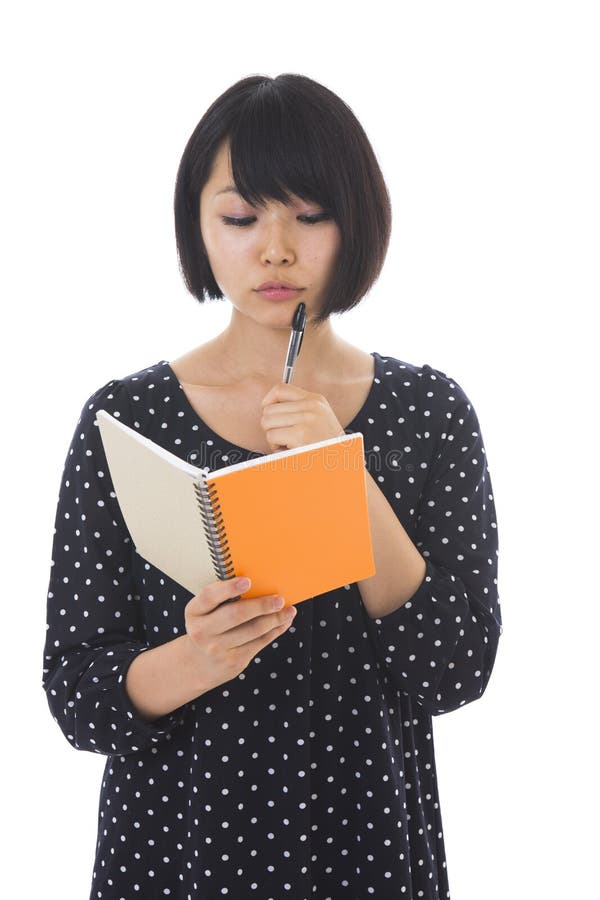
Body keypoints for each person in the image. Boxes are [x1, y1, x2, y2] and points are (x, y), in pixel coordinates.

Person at [42, 73, 503, 900]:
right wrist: (195, 658)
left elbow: (456, 668)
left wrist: (342, 472)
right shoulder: (127, 417)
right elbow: (76, 693)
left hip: (367, 843)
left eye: (311, 216)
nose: (276, 250)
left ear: (357, 223)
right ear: (199, 226)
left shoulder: (429, 411)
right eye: (241, 217)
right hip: (179, 849)